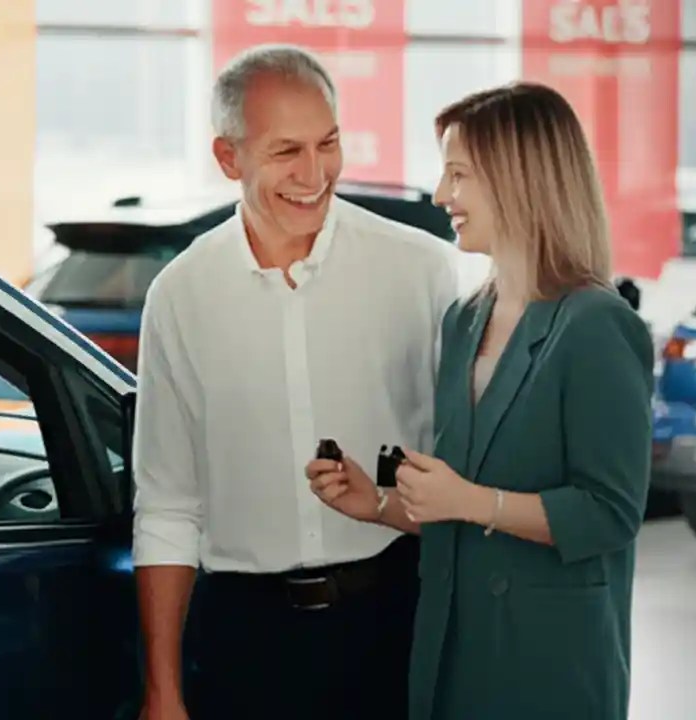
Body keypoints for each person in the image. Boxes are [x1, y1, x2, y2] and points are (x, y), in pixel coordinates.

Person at [131, 44, 462, 720]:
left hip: (396, 621)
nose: (314, 174)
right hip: (246, 642)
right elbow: (167, 504)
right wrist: (162, 691)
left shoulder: (423, 271)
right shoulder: (181, 295)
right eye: (286, 151)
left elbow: (464, 470)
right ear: (229, 158)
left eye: (328, 144)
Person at [308, 82, 654, 720]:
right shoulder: (466, 320)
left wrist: (467, 500)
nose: (442, 194)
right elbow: (461, 506)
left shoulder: (597, 325)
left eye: (459, 174)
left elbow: (610, 512)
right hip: (452, 646)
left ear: (520, 178)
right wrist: (377, 504)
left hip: (547, 667)